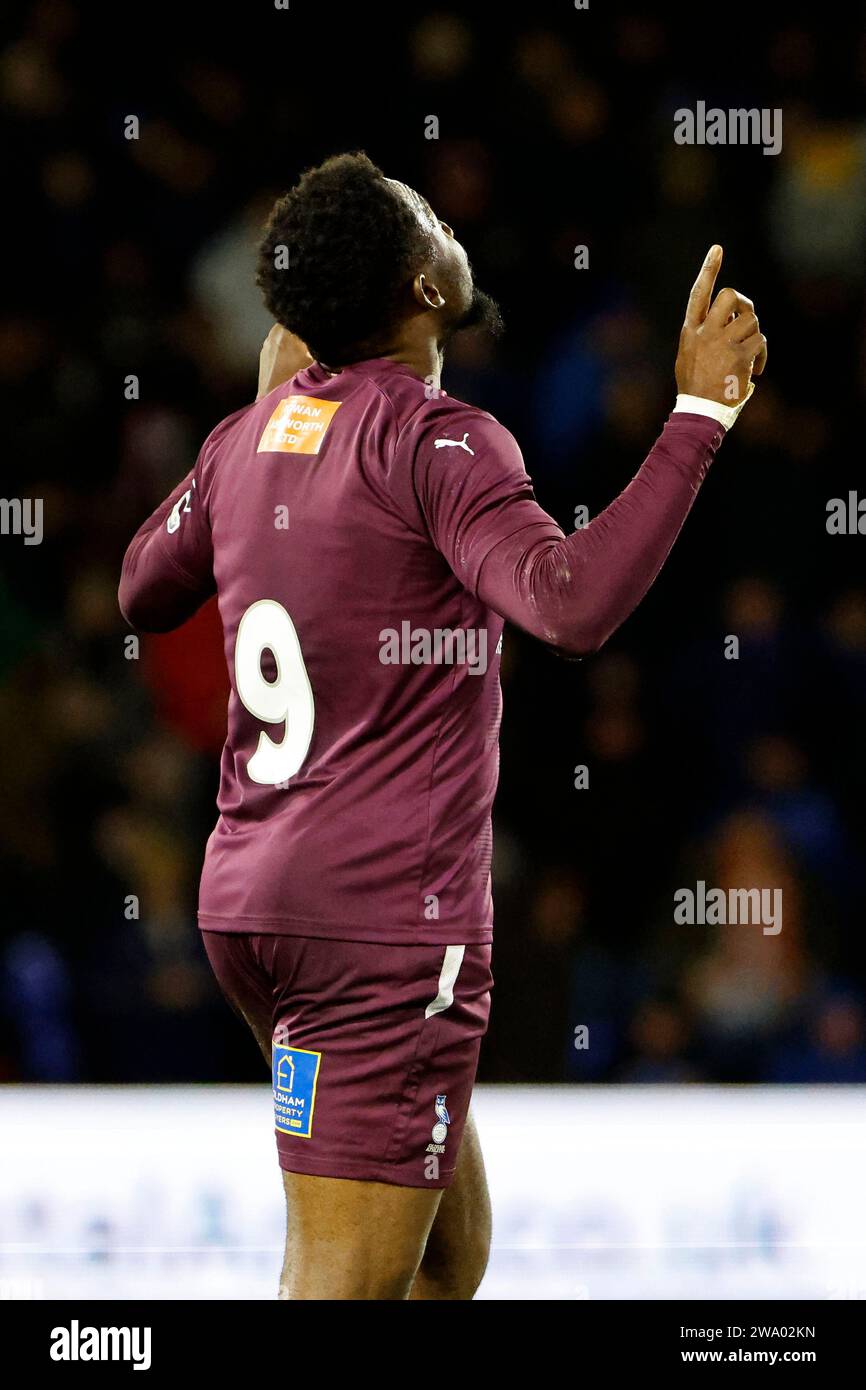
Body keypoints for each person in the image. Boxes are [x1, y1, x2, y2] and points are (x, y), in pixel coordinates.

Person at [118, 152, 766, 1299]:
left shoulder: (245, 438)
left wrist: (260, 423)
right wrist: (698, 414)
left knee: (445, 1259)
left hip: (256, 914)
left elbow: (139, 590)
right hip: (378, 930)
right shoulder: (438, 441)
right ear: (419, 287)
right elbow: (568, 604)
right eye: (423, 217)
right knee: (341, 1284)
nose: (443, 220)